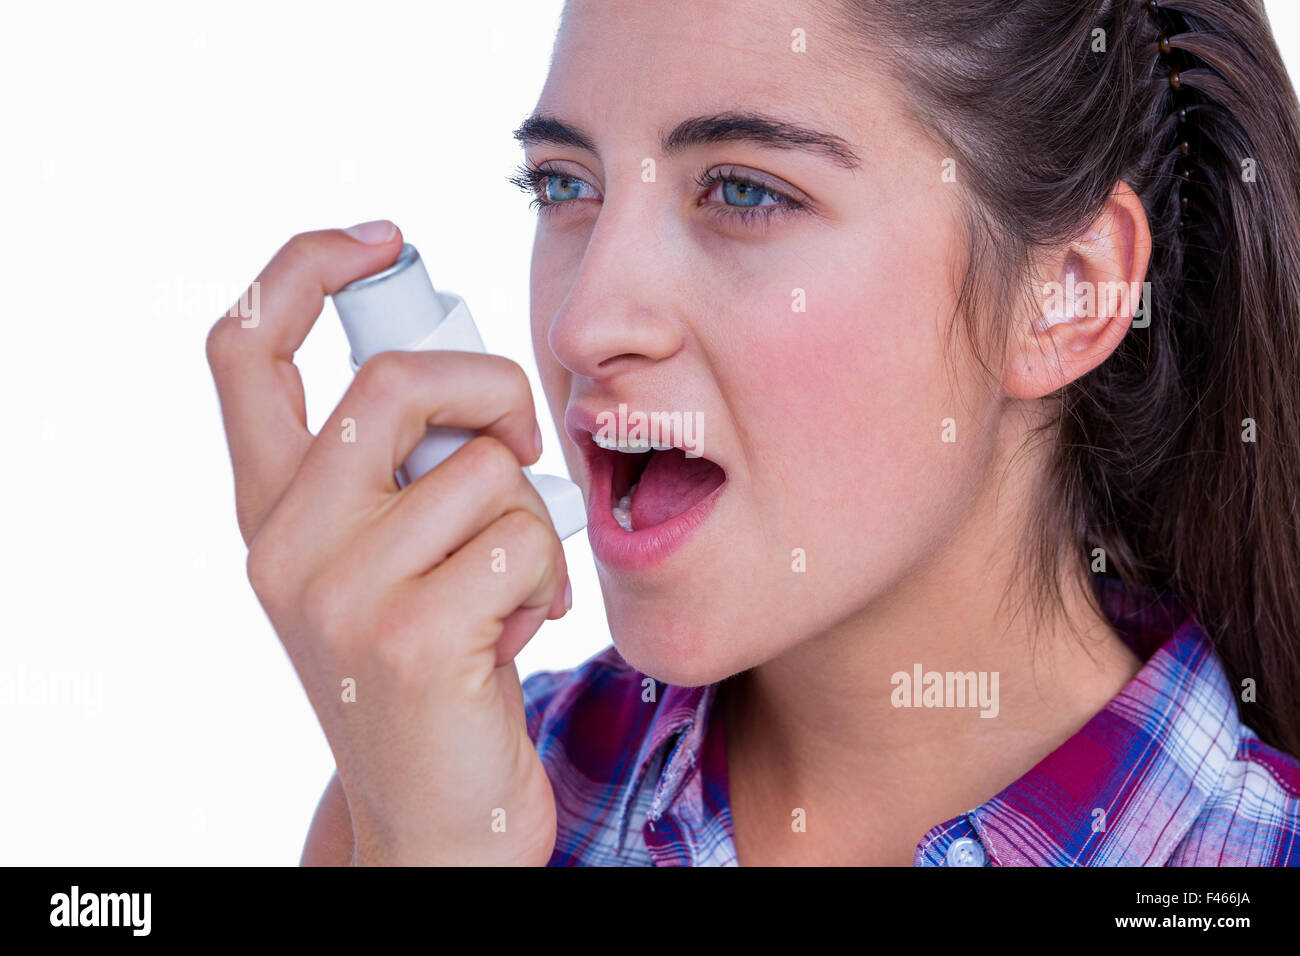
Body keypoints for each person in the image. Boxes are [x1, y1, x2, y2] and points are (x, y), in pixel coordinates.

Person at [206, 0, 1300, 866]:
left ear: (1066, 290)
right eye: (562, 183)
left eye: (743, 190)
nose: (585, 320)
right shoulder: (440, 798)